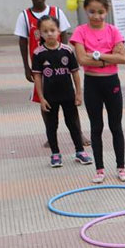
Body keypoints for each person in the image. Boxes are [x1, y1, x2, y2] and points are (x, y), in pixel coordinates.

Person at [14, 0, 89, 148]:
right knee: (45, 102)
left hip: (60, 66)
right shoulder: (24, 16)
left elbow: (65, 36)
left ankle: (79, 133)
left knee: (69, 102)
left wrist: (69, 59)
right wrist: (27, 67)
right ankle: (51, 134)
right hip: (41, 69)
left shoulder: (57, 12)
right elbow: (22, 41)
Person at [70, 0, 125, 183]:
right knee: (96, 127)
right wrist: (107, 55)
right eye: (92, 12)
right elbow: (81, 59)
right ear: (86, 10)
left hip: (111, 83)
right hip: (92, 83)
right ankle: (100, 168)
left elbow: (122, 58)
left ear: (107, 11)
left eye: (101, 12)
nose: (96, 16)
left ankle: (121, 167)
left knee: (116, 126)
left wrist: (96, 56)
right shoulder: (80, 31)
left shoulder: (113, 30)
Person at [31, 16, 90, 168]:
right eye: (45, 31)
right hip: (50, 97)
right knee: (51, 125)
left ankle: (80, 151)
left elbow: (75, 73)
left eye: (52, 30)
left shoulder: (67, 50)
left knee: (73, 124)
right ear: (40, 34)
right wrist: (41, 98)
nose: (49, 33)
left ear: (58, 31)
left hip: (68, 95)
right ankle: (55, 153)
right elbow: (37, 77)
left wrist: (78, 93)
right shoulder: (38, 54)